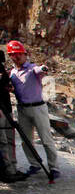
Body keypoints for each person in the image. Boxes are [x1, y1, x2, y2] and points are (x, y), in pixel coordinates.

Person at [6, 40, 59, 180]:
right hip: (22, 109)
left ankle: (54, 167)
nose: (16, 57)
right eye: (13, 55)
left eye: (19, 54)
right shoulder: (12, 73)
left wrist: (44, 69)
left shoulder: (32, 68)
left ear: (25, 54)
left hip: (38, 108)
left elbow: (40, 70)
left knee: (46, 139)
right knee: (26, 140)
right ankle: (34, 164)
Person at [0, 70, 23, 183]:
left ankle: (12, 169)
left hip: (7, 108)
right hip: (1, 111)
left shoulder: (3, 70)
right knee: (3, 142)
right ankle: (7, 171)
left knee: (9, 140)